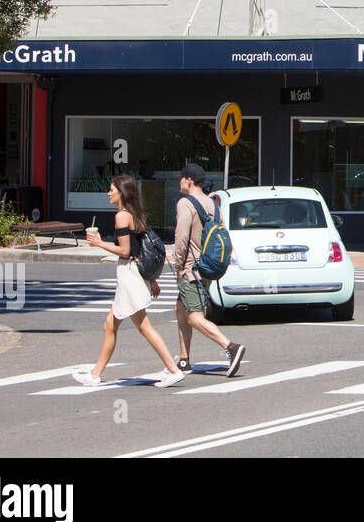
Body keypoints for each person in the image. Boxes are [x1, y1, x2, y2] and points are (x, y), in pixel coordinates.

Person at [73, 175, 184, 387]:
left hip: (129, 274)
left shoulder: (122, 217)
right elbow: (139, 249)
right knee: (111, 324)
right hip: (133, 275)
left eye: (111, 189)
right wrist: (151, 280)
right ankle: (95, 374)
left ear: (121, 193)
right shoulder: (135, 214)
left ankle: (173, 368)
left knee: (142, 326)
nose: (108, 193)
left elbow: (125, 251)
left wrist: (99, 243)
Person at [172, 164, 246, 376]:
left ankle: (231, 347)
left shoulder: (185, 203)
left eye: (181, 179)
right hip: (207, 266)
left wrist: (179, 265)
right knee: (180, 308)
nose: (179, 182)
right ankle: (184, 359)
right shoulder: (213, 204)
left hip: (190, 269)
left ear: (188, 181)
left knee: (194, 316)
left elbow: (182, 237)